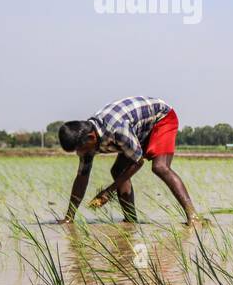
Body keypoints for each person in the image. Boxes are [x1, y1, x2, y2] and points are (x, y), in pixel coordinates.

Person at [57, 96, 197, 224]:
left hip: (161, 118)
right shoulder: (86, 142)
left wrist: (109, 191)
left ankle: (193, 217)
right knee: (118, 171)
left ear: (91, 138)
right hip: (137, 128)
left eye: (80, 149)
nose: (79, 153)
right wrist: (69, 217)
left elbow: (138, 161)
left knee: (160, 167)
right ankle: (130, 220)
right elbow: (82, 178)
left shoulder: (118, 130)